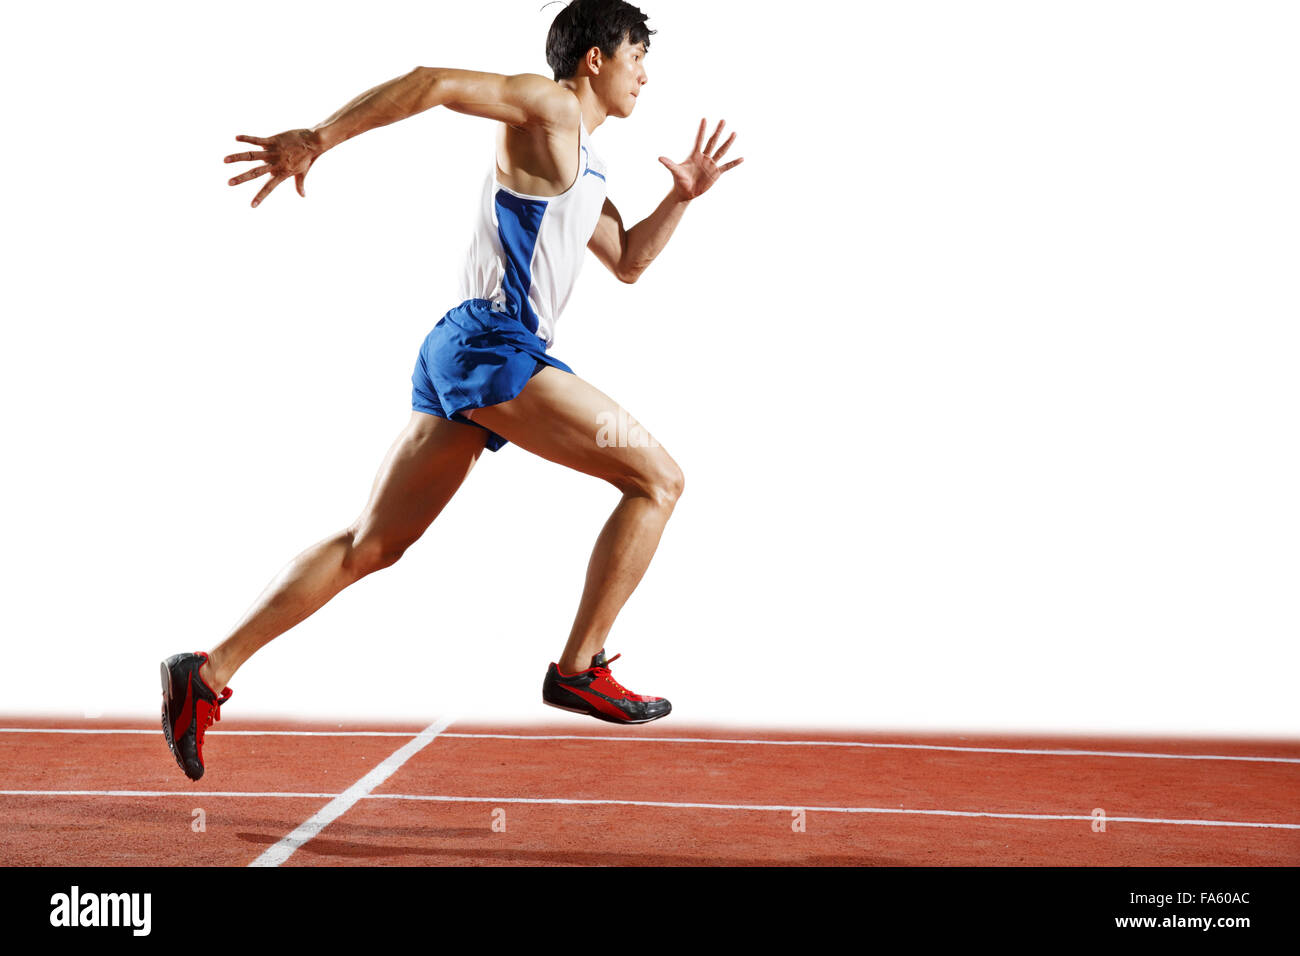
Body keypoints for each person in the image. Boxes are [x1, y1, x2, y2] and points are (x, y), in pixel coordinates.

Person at [161, 0, 743, 780]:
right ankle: (577, 669)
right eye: (637, 52)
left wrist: (683, 197)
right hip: (491, 347)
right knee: (658, 478)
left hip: (468, 351)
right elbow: (430, 81)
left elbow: (630, 260)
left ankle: (206, 671)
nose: (646, 70)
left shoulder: (587, 163)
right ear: (595, 57)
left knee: (372, 544)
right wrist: (320, 140)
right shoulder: (551, 106)